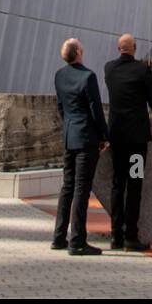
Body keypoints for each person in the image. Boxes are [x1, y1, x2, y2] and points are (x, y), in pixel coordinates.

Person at [51, 37, 109, 255]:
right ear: (78, 53)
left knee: (67, 186)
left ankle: (58, 237)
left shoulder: (59, 76)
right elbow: (95, 110)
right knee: (81, 189)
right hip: (86, 138)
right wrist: (104, 136)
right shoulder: (88, 77)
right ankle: (77, 241)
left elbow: (61, 107)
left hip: (69, 136)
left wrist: (69, 126)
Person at [104, 33, 152, 251]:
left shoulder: (108, 69)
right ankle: (131, 237)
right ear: (135, 48)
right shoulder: (143, 70)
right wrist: (148, 71)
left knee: (117, 185)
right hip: (137, 141)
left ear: (119, 48)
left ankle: (115, 236)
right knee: (135, 185)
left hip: (116, 138)